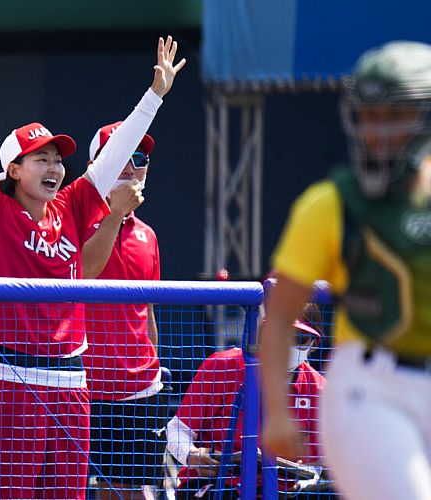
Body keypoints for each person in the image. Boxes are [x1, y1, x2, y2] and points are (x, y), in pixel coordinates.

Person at [0, 19, 185, 499]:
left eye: (57, 159)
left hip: (73, 382)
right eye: (40, 159)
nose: (54, 167)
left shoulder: (71, 207)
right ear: (12, 169)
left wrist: (155, 94)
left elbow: (114, 159)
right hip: (13, 379)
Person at [260, 41, 431, 500]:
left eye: (395, 115)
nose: (378, 132)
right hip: (374, 391)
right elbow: (278, 318)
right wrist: (277, 411)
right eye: (369, 116)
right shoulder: (332, 204)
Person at [80, 122, 167, 499]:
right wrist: (113, 214)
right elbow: (83, 270)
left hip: (138, 391)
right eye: (120, 156)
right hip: (82, 388)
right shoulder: (71, 220)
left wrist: (155, 369)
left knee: (127, 492)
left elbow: (146, 313)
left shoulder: (148, 235)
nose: (131, 166)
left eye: (140, 157)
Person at [167, 313, 325, 499]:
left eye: (299, 337)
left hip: (281, 490)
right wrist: (192, 455)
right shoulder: (223, 365)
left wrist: (302, 482)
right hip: (215, 482)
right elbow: (176, 430)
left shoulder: (320, 389)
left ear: (313, 345)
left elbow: (314, 465)